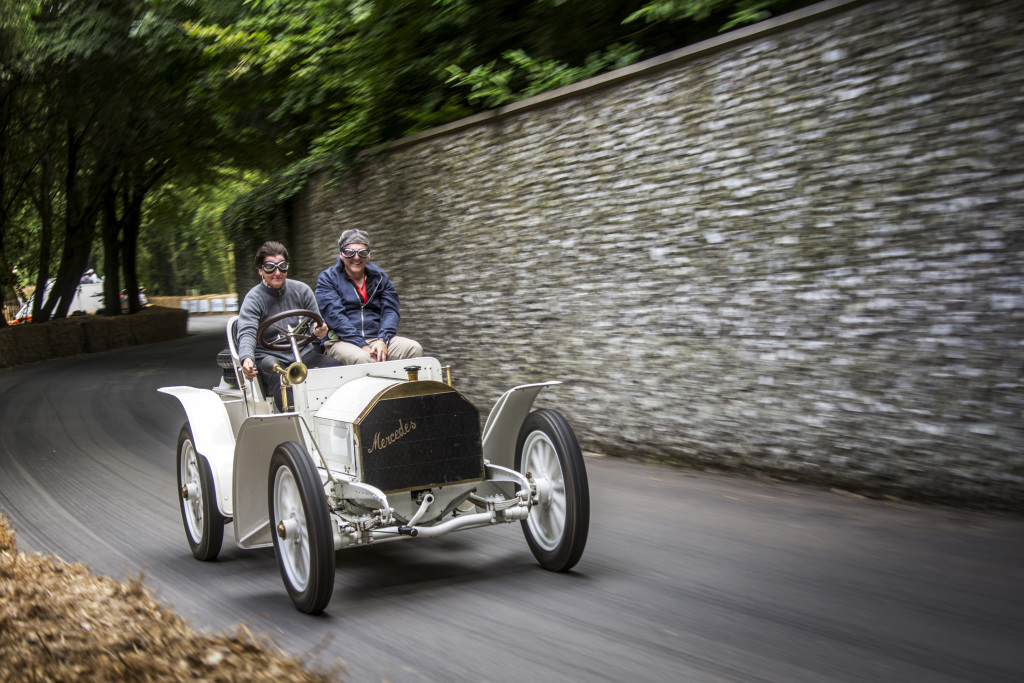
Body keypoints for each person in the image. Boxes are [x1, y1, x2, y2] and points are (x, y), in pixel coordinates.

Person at [237, 241, 340, 410]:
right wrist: (247, 358)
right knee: (283, 385)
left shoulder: (302, 290)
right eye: (270, 267)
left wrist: (320, 329)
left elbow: (316, 323)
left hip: (302, 352)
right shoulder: (253, 298)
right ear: (260, 270)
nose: (277, 272)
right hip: (271, 357)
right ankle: (294, 420)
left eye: (282, 266)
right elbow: (247, 332)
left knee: (334, 368)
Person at [316, 229, 422, 364]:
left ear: (368, 255)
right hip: (341, 340)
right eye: (349, 252)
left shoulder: (381, 277)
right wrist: (363, 346)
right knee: (362, 359)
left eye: (362, 252)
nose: (356, 257)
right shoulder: (328, 278)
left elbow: (391, 311)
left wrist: (383, 340)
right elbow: (335, 317)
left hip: (376, 338)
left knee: (413, 349)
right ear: (341, 255)